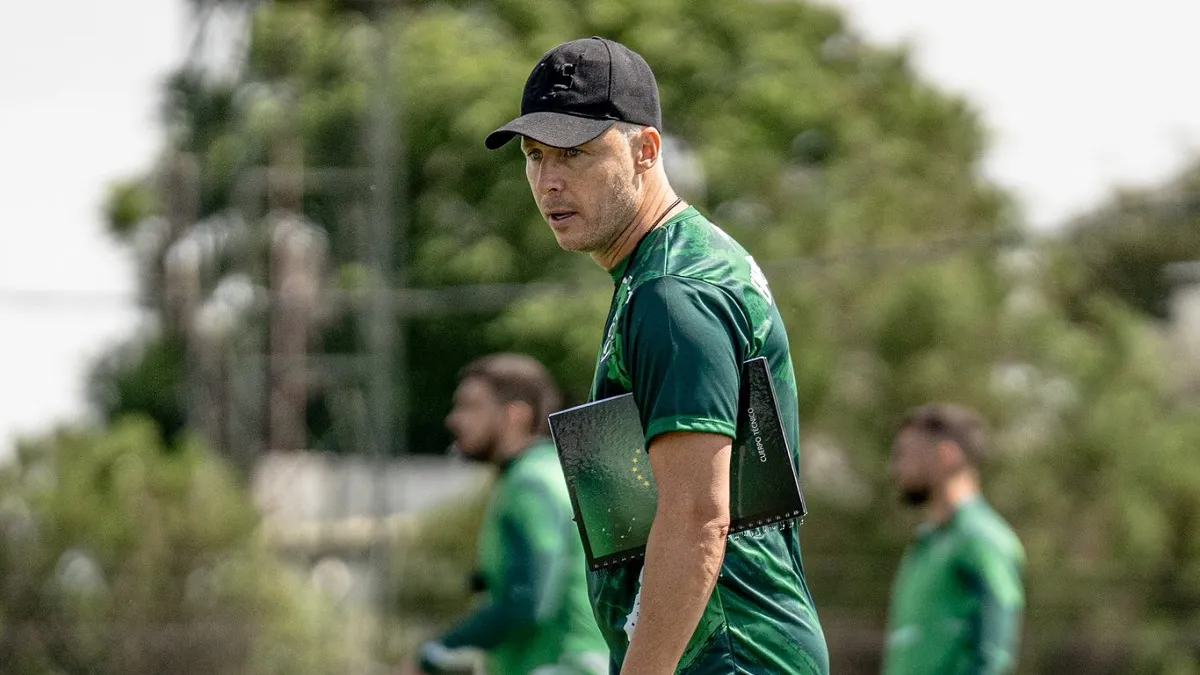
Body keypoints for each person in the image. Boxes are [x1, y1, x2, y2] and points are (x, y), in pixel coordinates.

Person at [485, 37, 828, 674]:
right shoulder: (660, 273)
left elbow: (698, 513)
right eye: (534, 156)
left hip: (727, 656)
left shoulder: (674, 292)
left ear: (645, 151)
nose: (549, 179)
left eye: (574, 153)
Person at [414, 353, 608, 675]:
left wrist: (435, 653)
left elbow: (526, 602)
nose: (454, 419)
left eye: (470, 406)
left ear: (516, 415)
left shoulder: (530, 484)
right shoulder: (550, 471)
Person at [884, 403, 1026, 675]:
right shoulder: (926, 543)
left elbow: (993, 657)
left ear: (946, 456)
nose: (896, 468)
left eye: (906, 454)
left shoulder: (981, 539)